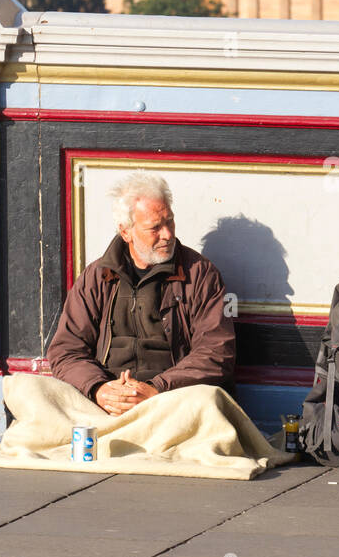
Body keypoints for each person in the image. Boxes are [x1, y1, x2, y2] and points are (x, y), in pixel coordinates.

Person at [47, 170, 235, 416]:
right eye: (155, 227)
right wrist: (99, 389)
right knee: (27, 389)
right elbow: (66, 350)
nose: (167, 234)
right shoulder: (97, 276)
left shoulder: (200, 274)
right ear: (126, 232)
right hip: (106, 400)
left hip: (169, 399)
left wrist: (155, 389)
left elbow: (217, 351)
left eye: (170, 221)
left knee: (208, 402)